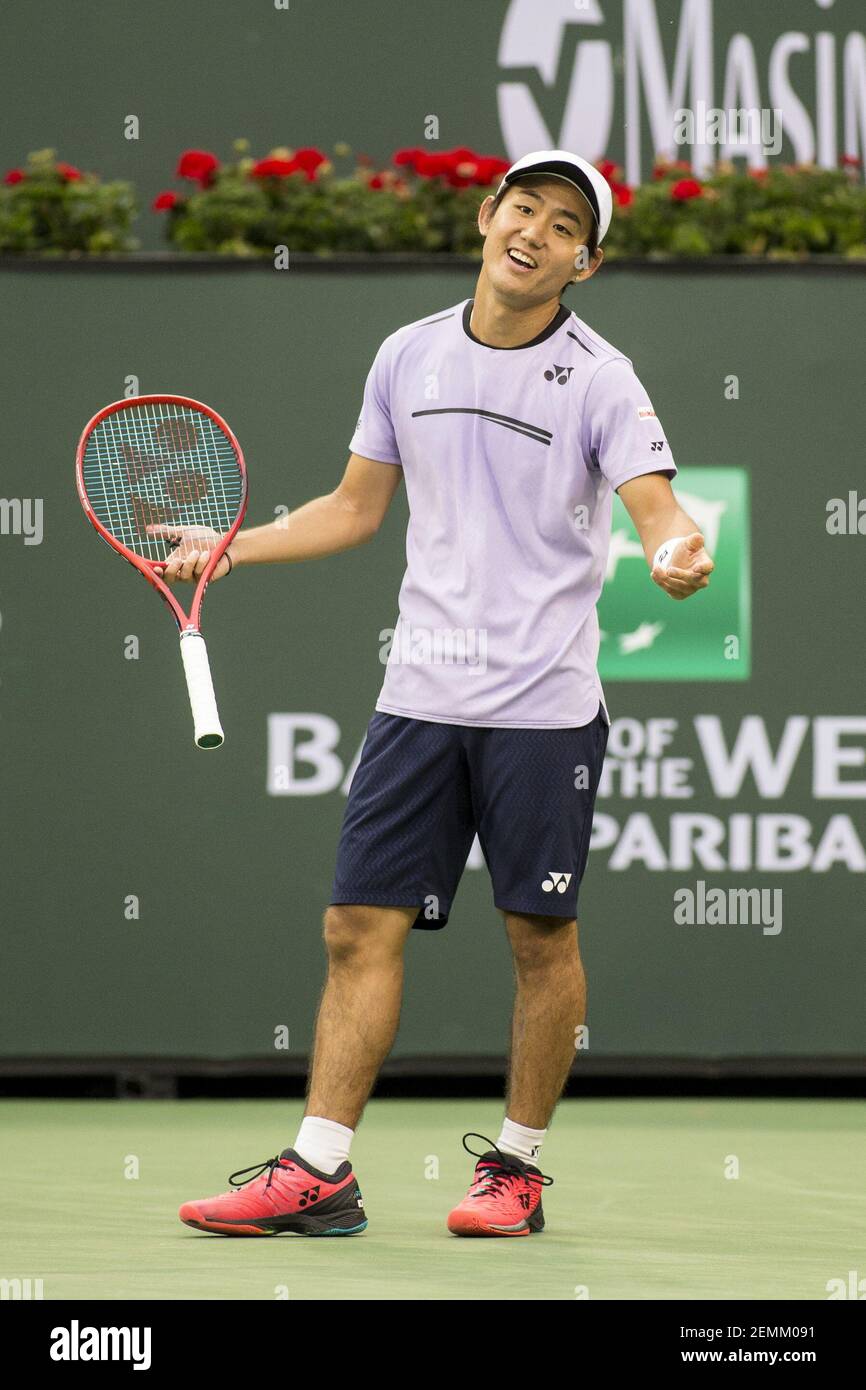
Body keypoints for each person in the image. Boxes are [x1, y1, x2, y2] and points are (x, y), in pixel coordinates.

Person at [162, 148, 714, 1239]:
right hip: (417, 694)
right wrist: (233, 549)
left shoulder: (600, 377)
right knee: (354, 924)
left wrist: (678, 549)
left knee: (537, 937)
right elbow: (352, 507)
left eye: (563, 226)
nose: (533, 232)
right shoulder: (404, 355)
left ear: (583, 264)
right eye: (523, 207)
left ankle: (515, 1169)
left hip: (541, 707)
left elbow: (656, 510)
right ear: (485, 213)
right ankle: (319, 1170)